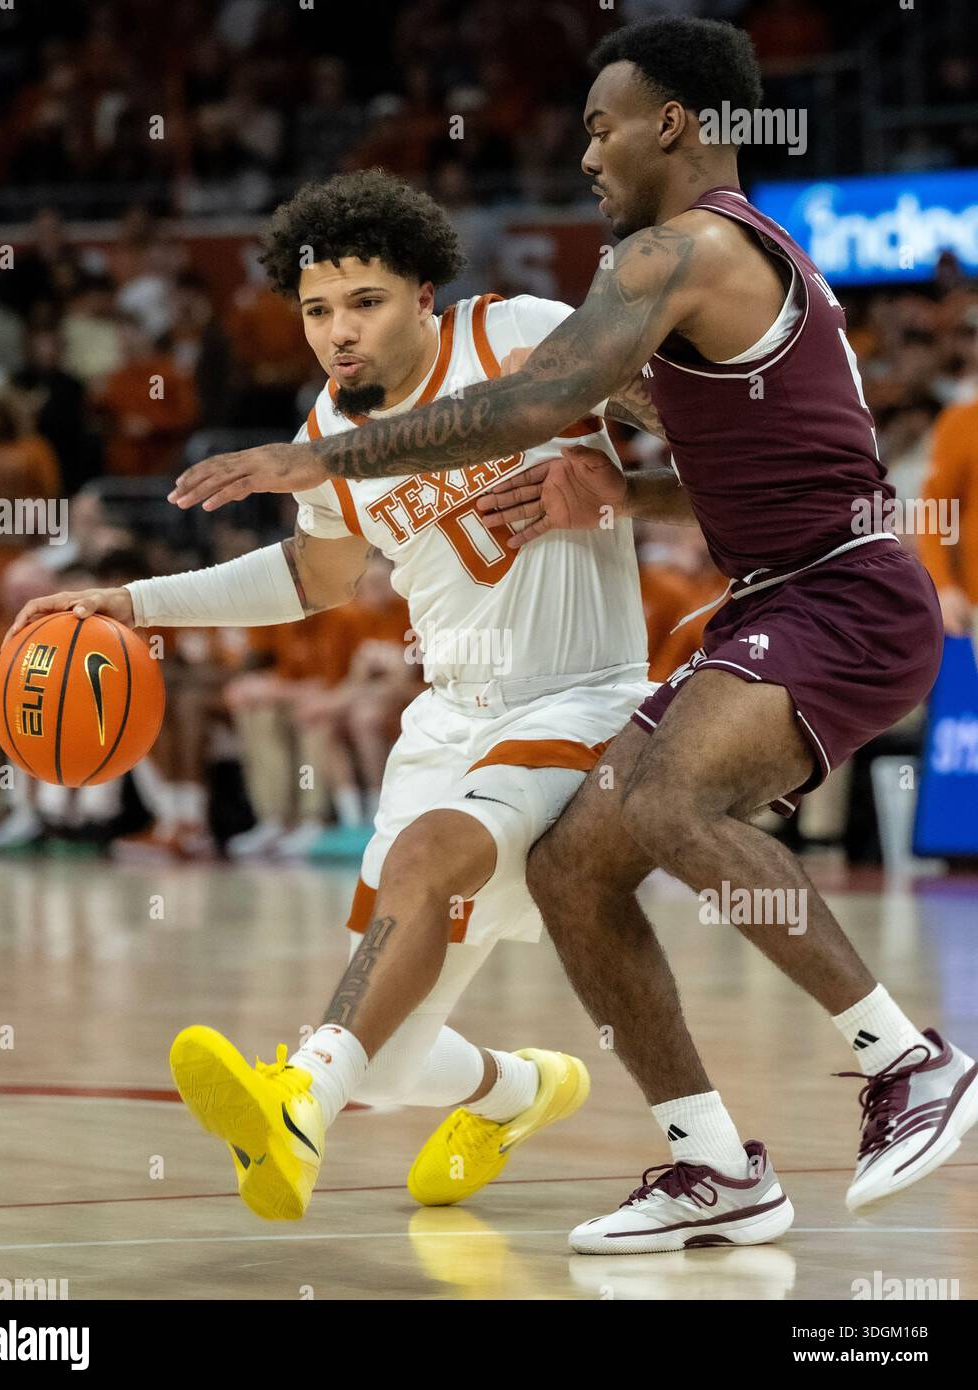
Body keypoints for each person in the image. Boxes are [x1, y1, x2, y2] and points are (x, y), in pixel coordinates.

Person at [169, 18, 973, 1254]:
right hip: (783, 584)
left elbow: (543, 400)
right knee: (570, 871)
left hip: (841, 591)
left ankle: (908, 1060)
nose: (584, 153)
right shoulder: (720, 263)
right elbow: (746, 464)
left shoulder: (679, 247)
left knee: (661, 801)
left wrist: (318, 453)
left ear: (675, 123)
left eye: (602, 125)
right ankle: (712, 1164)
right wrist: (621, 492)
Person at [5, 169, 669, 1223]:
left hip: (577, 697)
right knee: (395, 1057)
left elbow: (696, 421)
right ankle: (525, 1089)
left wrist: (633, 487)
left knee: (422, 864)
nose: (337, 330)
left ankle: (297, 1100)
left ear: (423, 295)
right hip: (448, 718)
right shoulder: (330, 426)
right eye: (316, 310)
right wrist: (135, 603)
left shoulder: (520, 334)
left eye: (363, 302)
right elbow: (317, 579)